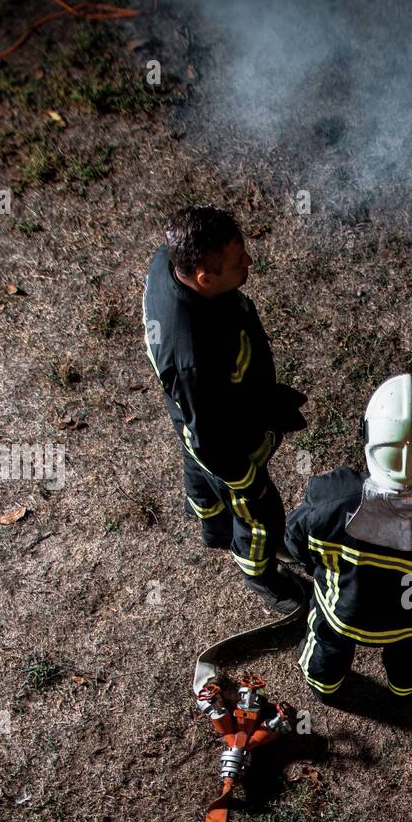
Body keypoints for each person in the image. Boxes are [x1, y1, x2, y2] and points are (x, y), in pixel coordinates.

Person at [142, 204, 307, 613]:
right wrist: (246, 479)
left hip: (192, 414)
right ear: (205, 277)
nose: (249, 261)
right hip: (223, 436)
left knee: (192, 455)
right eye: (238, 261)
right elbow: (212, 443)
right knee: (261, 513)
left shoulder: (167, 261)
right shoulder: (196, 356)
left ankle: (212, 524)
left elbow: (197, 432)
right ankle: (261, 574)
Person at [284, 374, 412, 701]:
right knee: (410, 656)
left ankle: (325, 684)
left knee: (327, 647)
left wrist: (314, 567)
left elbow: (294, 542)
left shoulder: (332, 501)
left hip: (341, 615)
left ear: (370, 438)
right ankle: (407, 685)